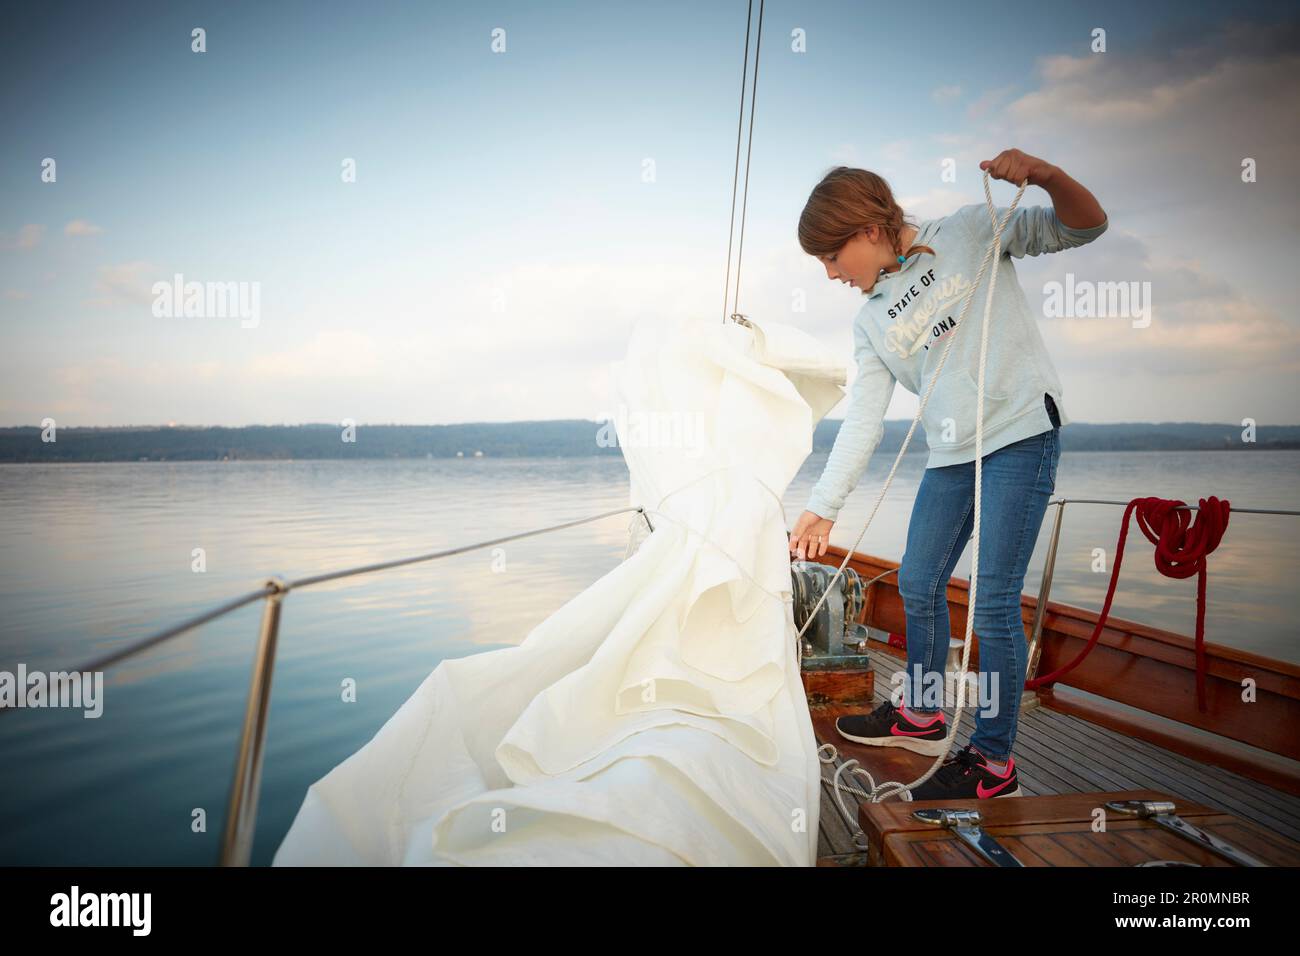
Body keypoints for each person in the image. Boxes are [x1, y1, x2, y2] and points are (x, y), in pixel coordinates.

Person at [788, 148, 1107, 800]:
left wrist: (1048, 175)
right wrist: (825, 505)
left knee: (991, 603)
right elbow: (864, 421)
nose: (828, 274)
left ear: (868, 230)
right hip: (951, 457)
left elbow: (1086, 225)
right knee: (918, 580)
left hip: (1020, 436)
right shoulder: (870, 320)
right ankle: (924, 715)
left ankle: (994, 765)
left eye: (830, 256)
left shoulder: (968, 230)